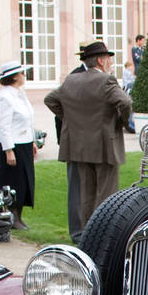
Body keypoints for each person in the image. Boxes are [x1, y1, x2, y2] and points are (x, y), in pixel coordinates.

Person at [44, 41, 132, 236]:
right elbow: (125, 101)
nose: (109, 62)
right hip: (103, 144)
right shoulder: (106, 80)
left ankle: (86, 234)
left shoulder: (72, 80)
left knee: (86, 194)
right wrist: (121, 121)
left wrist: (70, 119)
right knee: (106, 193)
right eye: (108, 58)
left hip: (80, 146)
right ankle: (101, 235)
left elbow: (50, 99)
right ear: (101, 60)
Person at [52, 45, 90, 243]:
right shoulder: (74, 78)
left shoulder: (92, 77)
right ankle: (77, 231)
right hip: (75, 142)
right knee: (76, 187)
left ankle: (89, 227)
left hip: (91, 143)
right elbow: (54, 102)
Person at [0, 61, 36, 230]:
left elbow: (28, 119)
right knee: (14, 181)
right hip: (13, 145)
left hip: (24, 142)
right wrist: (9, 150)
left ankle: (19, 214)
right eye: (21, 74)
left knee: (25, 181)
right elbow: (4, 125)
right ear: (13, 77)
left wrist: (32, 140)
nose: (23, 76)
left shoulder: (20, 93)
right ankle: (12, 215)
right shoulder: (5, 96)